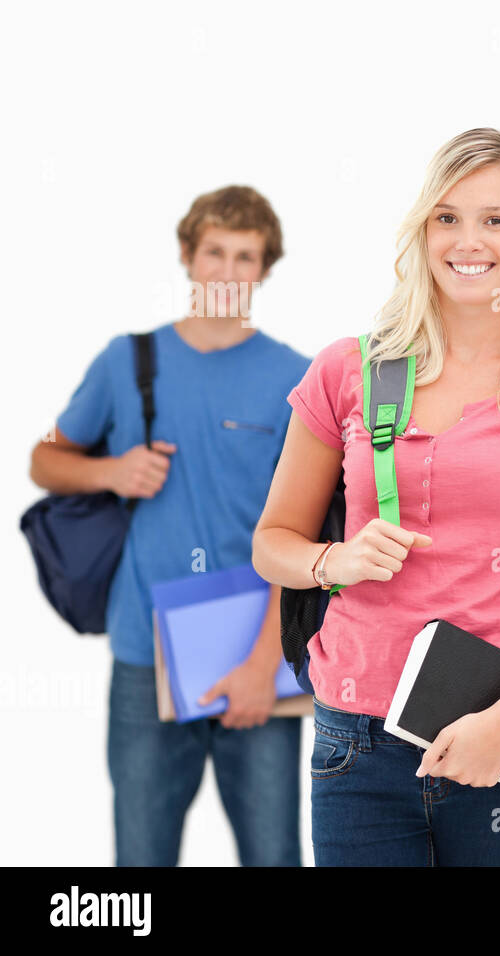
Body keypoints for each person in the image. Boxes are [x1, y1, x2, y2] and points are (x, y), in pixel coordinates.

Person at [251, 128, 500, 867]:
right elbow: (273, 543)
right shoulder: (350, 369)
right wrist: (337, 560)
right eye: (447, 217)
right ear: (423, 230)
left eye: (495, 219)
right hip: (354, 746)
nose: (469, 240)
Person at [30, 185, 310, 866]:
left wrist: (263, 663)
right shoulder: (125, 363)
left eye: (245, 256)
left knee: (273, 856)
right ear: (187, 256)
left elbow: (305, 532)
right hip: (143, 651)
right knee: (140, 863)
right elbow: (45, 458)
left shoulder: (296, 378)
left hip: (256, 653)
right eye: (214, 251)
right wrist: (111, 471)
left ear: (265, 270)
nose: (227, 270)